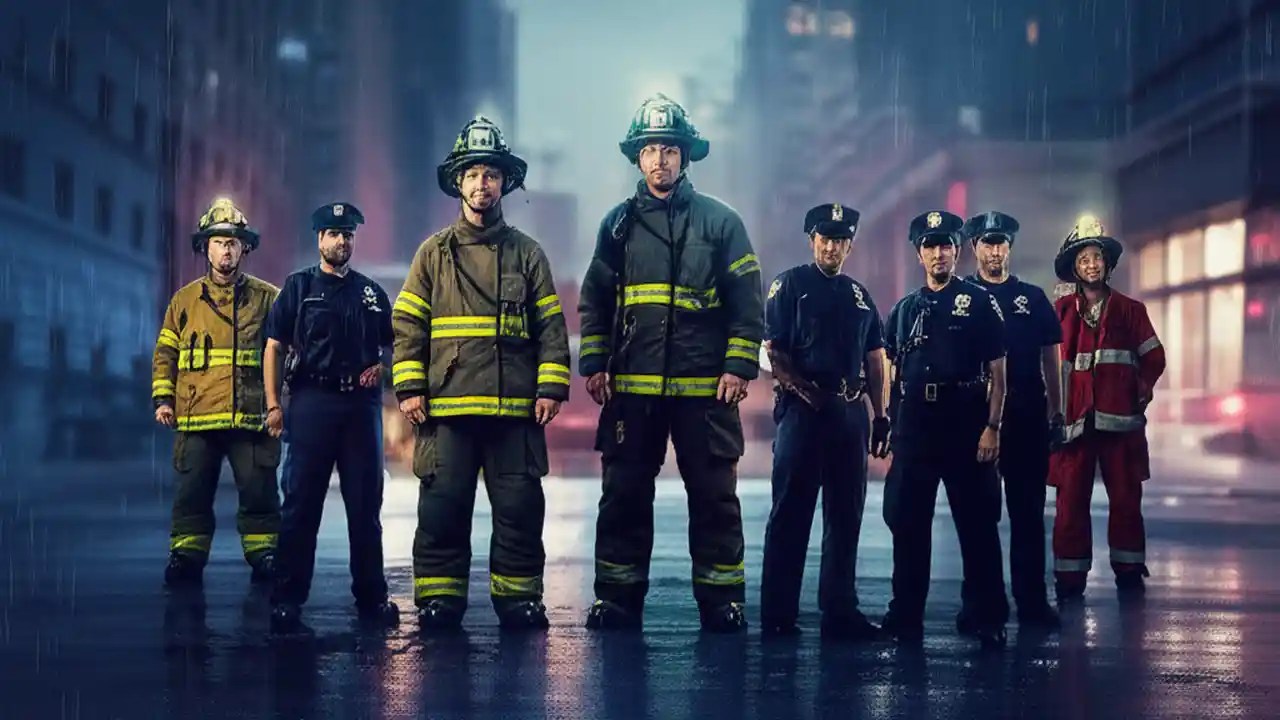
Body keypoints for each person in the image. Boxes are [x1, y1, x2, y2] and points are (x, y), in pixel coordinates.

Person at [577, 93, 764, 633]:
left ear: (685, 157)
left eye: (670, 149)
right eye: (650, 149)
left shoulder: (721, 223)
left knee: (714, 501)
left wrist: (737, 366)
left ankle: (722, 601)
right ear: (637, 158)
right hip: (632, 392)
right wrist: (594, 362)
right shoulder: (617, 227)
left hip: (706, 391)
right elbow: (596, 299)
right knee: (623, 497)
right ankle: (616, 599)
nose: (660, 159)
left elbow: (747, 301)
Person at [391, 117, 570, 632]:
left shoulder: (527, 253)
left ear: (504, 183)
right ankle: (440, 601)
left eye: (491, 174)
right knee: (443, 511)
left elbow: (551, 327)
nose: (481, 184)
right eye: (472, 174)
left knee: (519, 511)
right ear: (458, 182)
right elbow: (407, 323)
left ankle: (518, 601)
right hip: (447, 409)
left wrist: (550, 386)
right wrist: (409, 386)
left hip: (514, 411)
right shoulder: (433, 253)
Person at [264, 202, 400, 633]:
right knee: (301, 504)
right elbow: (274, 347)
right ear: (319, 239)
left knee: (366, 507)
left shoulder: (371, 293)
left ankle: (372, 597)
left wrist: (385, 369)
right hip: (312, 402)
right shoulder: (298, 288)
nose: (342, 241)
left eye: (348, 234)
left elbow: (393, 347)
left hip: (360, 408)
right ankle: (287, 598)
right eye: (333, 234)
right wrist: (273, 403)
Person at [758, 203, 891, 639]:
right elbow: (774, 352)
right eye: (825, 238)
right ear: (812, 239)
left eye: (840, 239)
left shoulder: (859, 295)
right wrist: (807, 393)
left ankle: (840, 612)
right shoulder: (789, 285)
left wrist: (881, 415)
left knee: (845, 516)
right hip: (804, 414)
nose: (832, 246)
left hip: (850, 415)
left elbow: (876, 358)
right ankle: (779, 614)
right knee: (790, 515)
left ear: (850, 245)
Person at [880, 210, 1010, 649]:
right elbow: (891, 370)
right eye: (930, 246)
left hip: (964, 419)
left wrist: (992, 427)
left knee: (976, 524)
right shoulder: (903, 310)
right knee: (908, 523)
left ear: (957, 251)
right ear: (919, 253)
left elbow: (998, 370)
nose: (938, 253)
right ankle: (905, 614)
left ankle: (986, 613)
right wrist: (890, 424)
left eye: (945, 246)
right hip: (916, 424)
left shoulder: (977, 301)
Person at [150, 197, 281, 587]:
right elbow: (166, 353)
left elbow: (286, 350)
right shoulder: (185, 301)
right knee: (191, 494)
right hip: (196, 416)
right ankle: (185, 557)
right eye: (219, 241)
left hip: (250, 416)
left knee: (259, 493)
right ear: (205, 247)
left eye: (233, 242)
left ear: (245, 248)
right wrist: (163, 399)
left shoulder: (267, 298)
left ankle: (265, 555)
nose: (226, 249)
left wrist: (280, 402)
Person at [1049, 215, 1165, 601]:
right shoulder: (1060, 311)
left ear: (1107, 263)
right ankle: (1069, 577)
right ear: (1074, 267)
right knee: (1069, 505)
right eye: (1083, 259)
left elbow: (1154, 357)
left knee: (1127, 500)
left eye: (1097, 257)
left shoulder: (1132, 311)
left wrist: (1140, 390)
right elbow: (1046, 364)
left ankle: (1130, 570)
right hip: (1074, 425)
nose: (1091, 264)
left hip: (1121, 424)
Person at [962, 211, 1063, 629]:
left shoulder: (1033, 299)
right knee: (978, 517)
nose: (994, 251)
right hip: (975, 418)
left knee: (1026, 513)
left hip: (1025, 415)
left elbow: (1051, 358)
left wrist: (1057, 411)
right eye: (987, 243)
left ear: (1010, 247)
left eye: (1001, 243)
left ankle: (1033, 603)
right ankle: (980, 605)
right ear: (974, 248)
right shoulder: (960, 296)